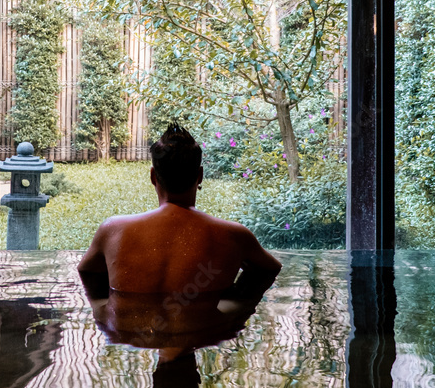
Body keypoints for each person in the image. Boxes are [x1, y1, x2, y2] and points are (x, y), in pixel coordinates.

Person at [77, 122, 282, 299]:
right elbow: (270, 269)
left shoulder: (112, 230)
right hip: (206, 327)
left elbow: (87, 274)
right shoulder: (234, 236)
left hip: (125, 329)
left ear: (153, 177)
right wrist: (238, 307)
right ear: (200, 176)